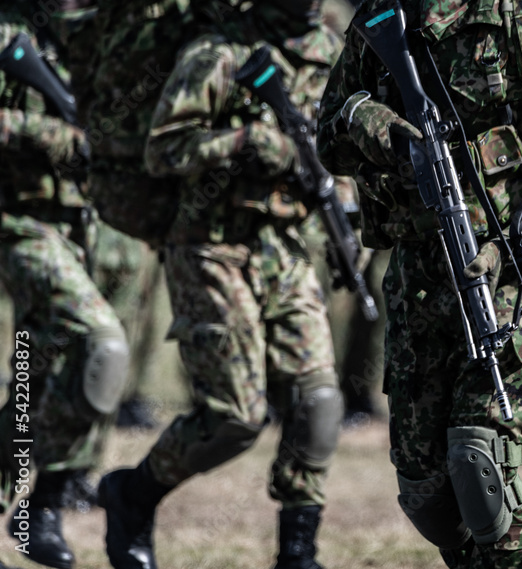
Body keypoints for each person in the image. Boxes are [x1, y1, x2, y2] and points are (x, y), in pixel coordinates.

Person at [317, 0, 522, 564]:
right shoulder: (382, 21)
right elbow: (328, 131)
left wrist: (520, 242)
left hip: (509, 285)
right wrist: (367, 121)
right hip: (419, 283)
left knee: (478, 464)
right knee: (427, 494)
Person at [97, 2, 347, 568]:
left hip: (283, 245)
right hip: (210, 245)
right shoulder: (218, 53)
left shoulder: (332, 55)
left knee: (320, 401)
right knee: (235, 418)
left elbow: (342, 145)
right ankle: (132, 495)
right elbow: (162, 149)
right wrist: (243, 142)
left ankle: (297, 552)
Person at [0, 2, 131, 568]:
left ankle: (34, 516)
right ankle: (47, 502)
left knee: (37, 381)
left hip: (82, 228)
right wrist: (60, 134)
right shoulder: (8, 34)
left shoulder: (94, 35)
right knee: (101, 343)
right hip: (18, 224)